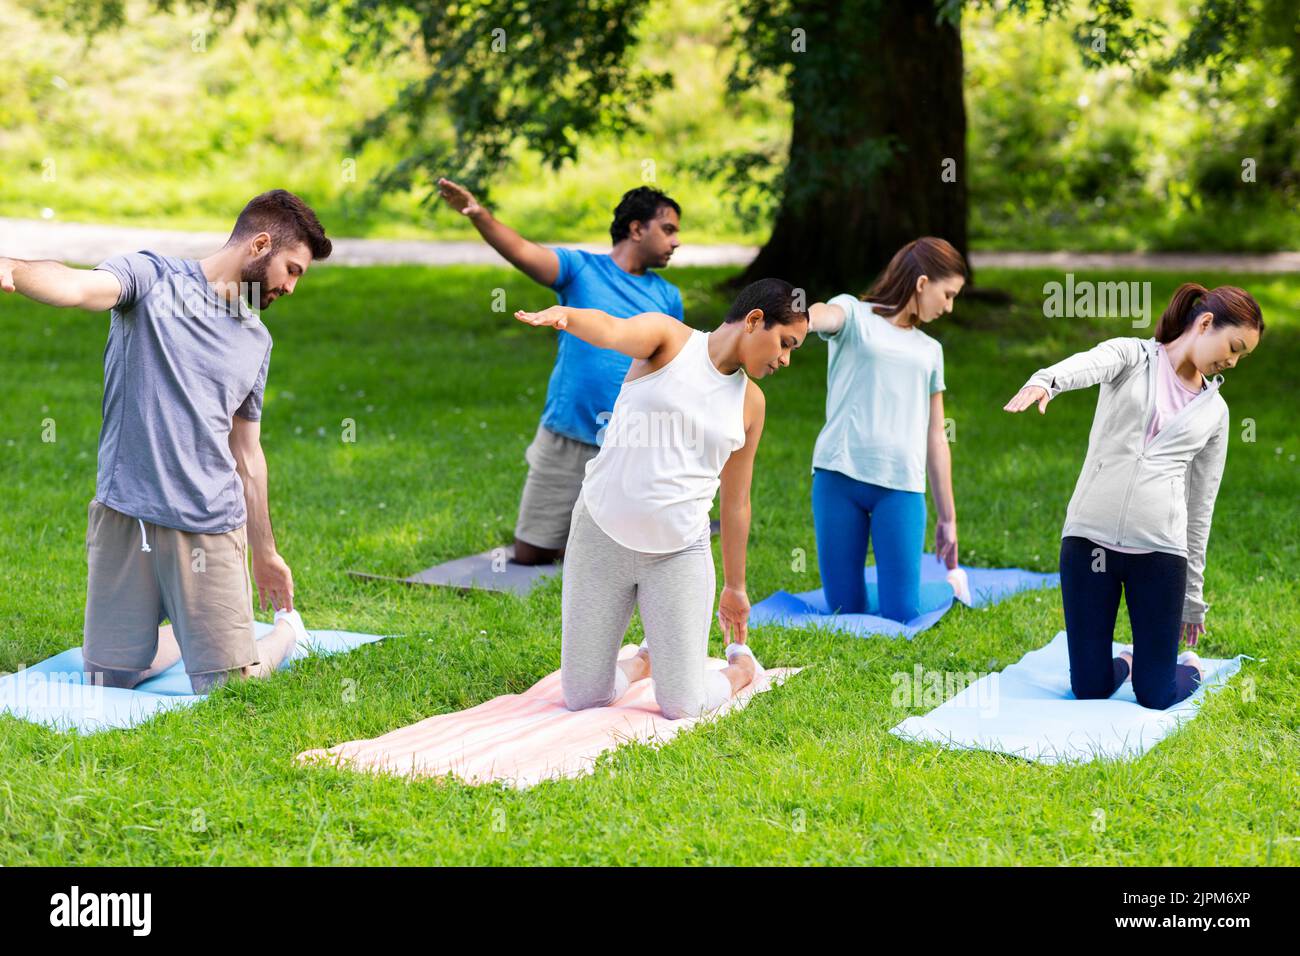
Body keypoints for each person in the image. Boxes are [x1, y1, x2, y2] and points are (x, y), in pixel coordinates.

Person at [0, 189, 332, 693]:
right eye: (292, 270)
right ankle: (190, 632)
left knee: (229, 685)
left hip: (208, 524)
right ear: (261, 244)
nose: (290, 287)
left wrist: (265, 553)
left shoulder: (255, 340)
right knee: (108, 680)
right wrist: (13, 268)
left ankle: (288, 633)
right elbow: (75, 286)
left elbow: (247, 454)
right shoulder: (152, 278)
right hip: (125, 515)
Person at [513, 278, 808, 719]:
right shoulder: (669, 339)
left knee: (683, 705)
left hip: (677, 554)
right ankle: (643, 662)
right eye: (785, 343)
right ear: (753, 320)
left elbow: (737, 502)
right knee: (584, 698)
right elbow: (611, 329)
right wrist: (568, 317)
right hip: (600, 535)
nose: (785, 359)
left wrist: (736, 587)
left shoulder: (751, 402)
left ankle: (741, 669)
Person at [1004, 283, 1264, 709]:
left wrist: (1192, 597)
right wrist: (1047, 382)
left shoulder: (1215, 412)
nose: (1233, 362)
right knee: (1088, 688)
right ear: (1205, 323)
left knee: (1156, 696)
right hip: (1089, 544)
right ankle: (1126, 660)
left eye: (1242, 357)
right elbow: (1088, 364)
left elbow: (1201, 506)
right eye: (1234, 347)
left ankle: (1190, 667)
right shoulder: (1132, 356)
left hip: (1160, 555)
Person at [437, 178, 684, 564]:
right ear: (637, 229)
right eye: (668, 230)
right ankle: (578, 536)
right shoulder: (581, 269)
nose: (676, 241)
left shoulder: (668, 296)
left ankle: (590, 538)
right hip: (567, 432)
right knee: (530, 554)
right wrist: (479, 215)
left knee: (621, 553)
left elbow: (671, 366)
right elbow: (523, 251)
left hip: (630, 441)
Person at [804, 237, 966, 622]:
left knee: (903, 614)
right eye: (948, 294)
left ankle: (950, 586)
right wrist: (803, 320)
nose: (949, 307)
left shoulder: (930, 350)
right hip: (838, 477)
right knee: (843, 609)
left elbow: (936, 435)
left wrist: (948, 518)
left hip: (900, 487)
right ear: (922, 283)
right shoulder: (854, 314)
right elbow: (826, 314)